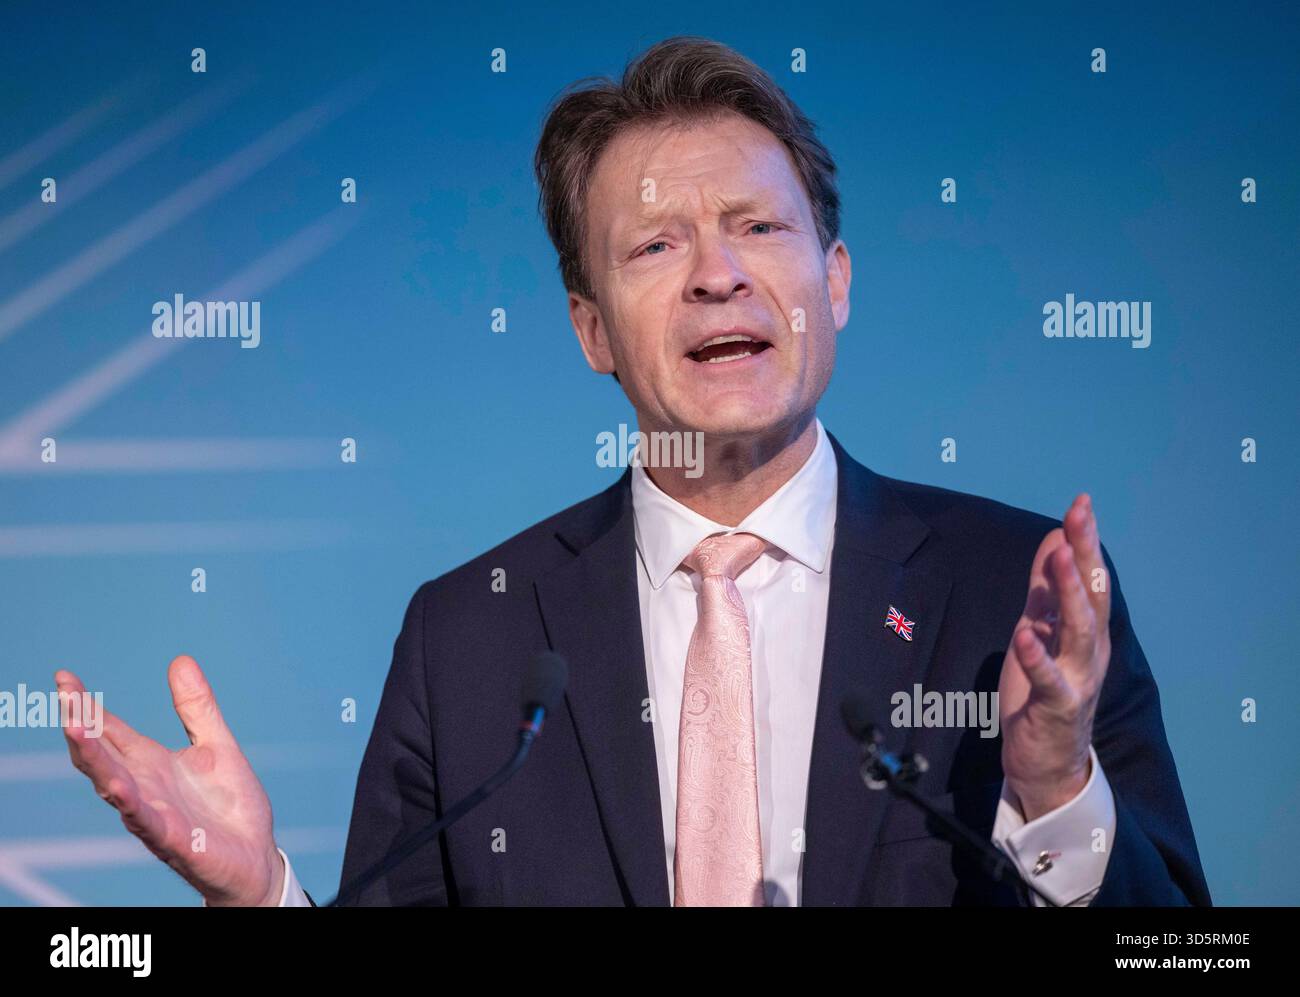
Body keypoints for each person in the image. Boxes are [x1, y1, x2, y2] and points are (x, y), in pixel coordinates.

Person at [57, 35, 1210, 907]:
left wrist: (1055, 787)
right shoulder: (467, 640)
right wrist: (262, 896)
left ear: (837, 280)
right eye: (657, 245)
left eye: (758, 227)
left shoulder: (1018, 593)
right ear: (591, 331)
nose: (718, 275)